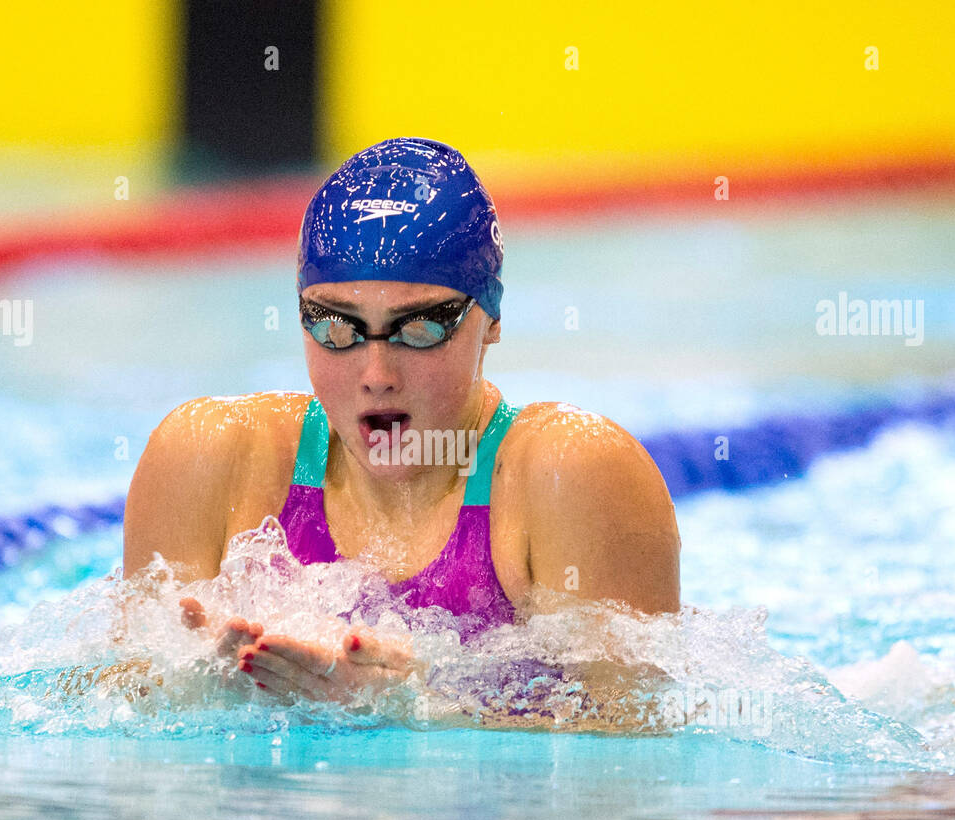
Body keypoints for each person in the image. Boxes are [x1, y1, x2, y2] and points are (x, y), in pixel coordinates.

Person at [95, 137, 680, 712]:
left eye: (420, 327)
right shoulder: (208, 460)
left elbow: (634, 746)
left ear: (491, 318)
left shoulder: (571, 475)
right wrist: (193, 689)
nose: (376, 374)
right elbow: (108, 721)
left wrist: (421, 710)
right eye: (336, 328)